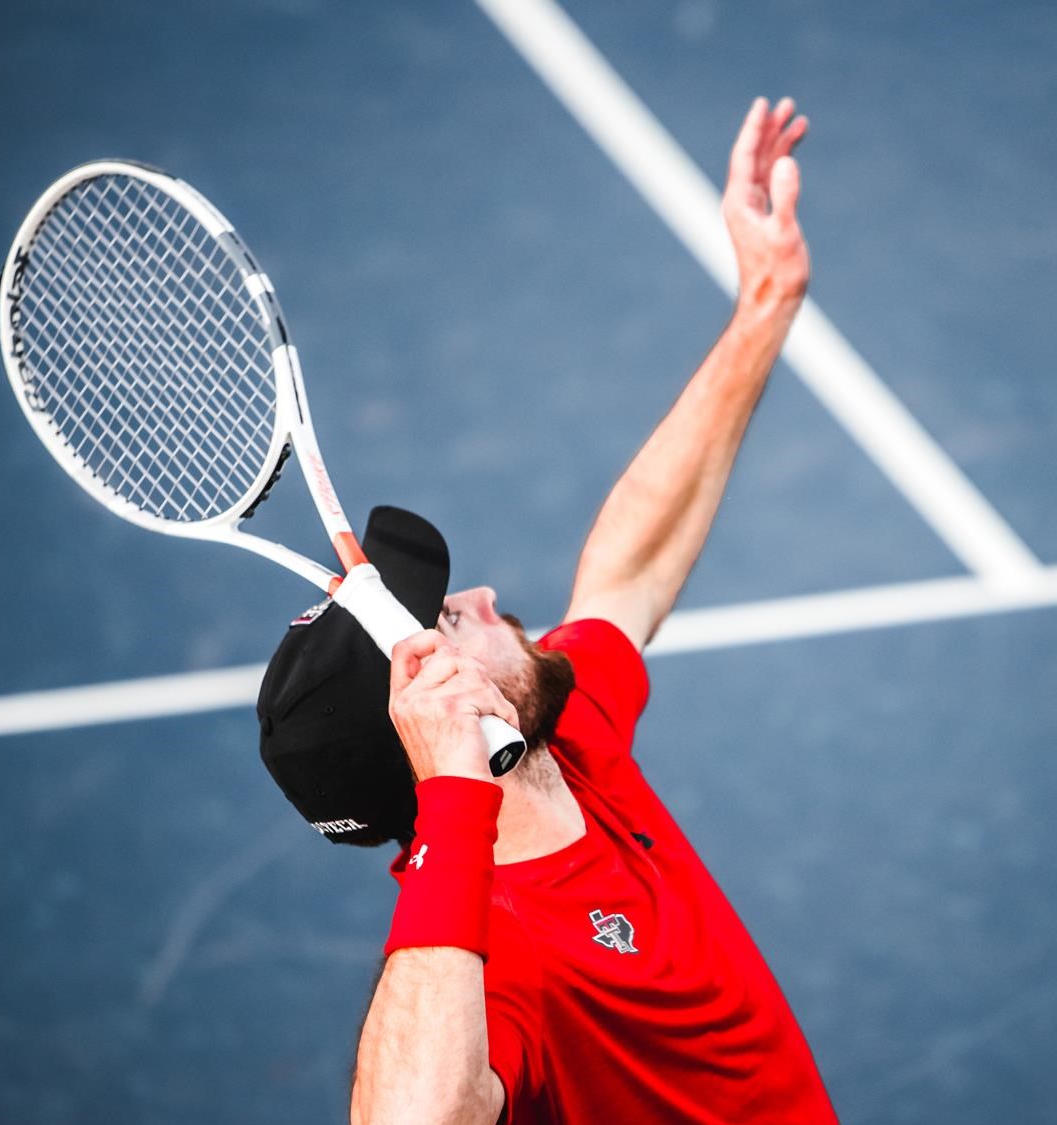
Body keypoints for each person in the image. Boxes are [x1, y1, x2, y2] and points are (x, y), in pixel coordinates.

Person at [255, 97, 837, 1125]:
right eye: (450, 619)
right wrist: (454, 802)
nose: (480, 595)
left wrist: (765, 300)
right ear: (454, 725)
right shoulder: (492, 955)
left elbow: (629, 569)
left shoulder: (565, 735)